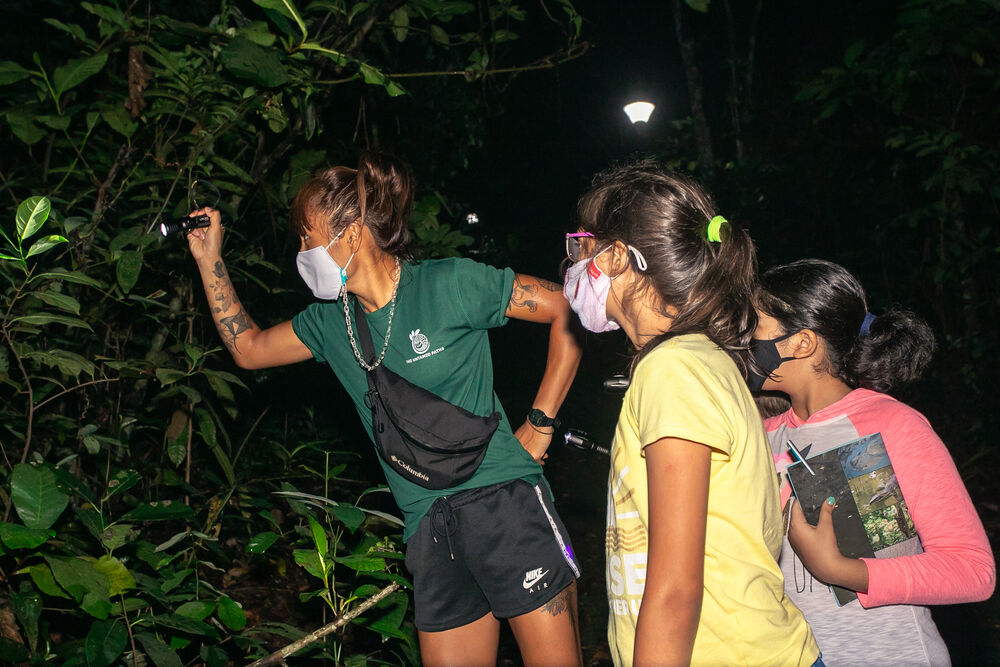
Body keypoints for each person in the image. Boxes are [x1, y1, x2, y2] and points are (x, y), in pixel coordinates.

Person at [186, 150, 584, 666]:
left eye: (308, 237)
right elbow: (248, 349)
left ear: (350, 235)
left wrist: (541, 423)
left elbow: (566, 307)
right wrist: (209, 259)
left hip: (505, 503)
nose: (302, 250)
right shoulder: (330, 323)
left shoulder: (449, 283)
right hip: (427, 528)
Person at [562, 161, 820, 667]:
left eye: (581, 246)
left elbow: (676, 588)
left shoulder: (674, 370)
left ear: (616, 257)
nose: (572, 262)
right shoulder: (698, 360)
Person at [751, 258, 996, 667]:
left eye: (754, 327)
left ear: (802, 343)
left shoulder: (892, 424)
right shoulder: (759, 436)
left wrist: (843, 570)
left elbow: (972, 571)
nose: (742, 342)